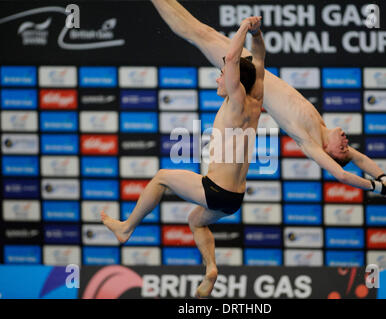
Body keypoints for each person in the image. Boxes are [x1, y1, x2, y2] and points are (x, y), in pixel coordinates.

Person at [150, 0, 386, 197]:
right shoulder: (323, 131)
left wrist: (376, 188)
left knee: (197, 34)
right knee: (201, 31)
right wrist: (382, 177)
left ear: (327, 152)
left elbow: (343, 175)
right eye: (347, 144)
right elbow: (358, 158)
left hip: (248, 77)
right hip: (256, 69)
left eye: (342, 147)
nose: (346, 140)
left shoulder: (311, 142)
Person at [101, 15, 266, 298]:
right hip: (235, 198)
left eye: (222, 74)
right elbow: (259, 61)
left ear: (234, 78)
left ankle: (127, 228)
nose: (219, 77)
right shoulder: (256, 99)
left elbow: (231, 60)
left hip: (217, 190)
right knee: (196, 220)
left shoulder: (237, 101)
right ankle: (211, 268)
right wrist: (257, 34)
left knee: (162, 177)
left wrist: (243, 28)